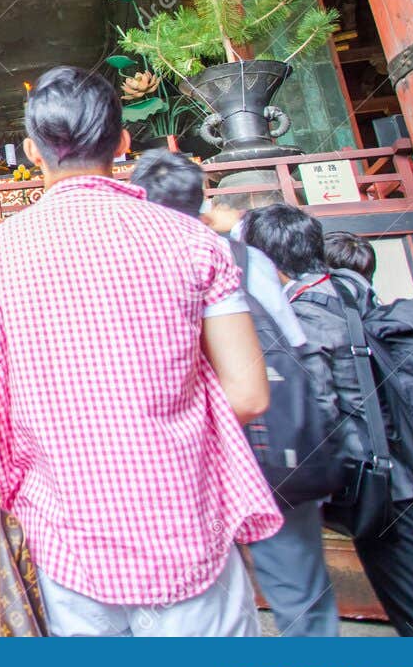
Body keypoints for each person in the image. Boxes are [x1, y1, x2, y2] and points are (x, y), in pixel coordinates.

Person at [0, 66, 279, 637]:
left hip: (63, 536)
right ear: (125, 142)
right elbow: (248, 393)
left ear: (31, 151)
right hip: (185, 525)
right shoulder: (193, 240)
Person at [131, 150, 339, 636]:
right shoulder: (245, 257)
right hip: (266, 443)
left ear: (138, 200)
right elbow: (295, 343)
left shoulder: (137, 264)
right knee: (299, 591)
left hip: (184, 451)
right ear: (200, 198)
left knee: (192, 601)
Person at [247, 204, 413, 636]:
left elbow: (317, 409)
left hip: (386, 487)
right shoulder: (351, 290)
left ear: (266, 262)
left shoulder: (305, 319)